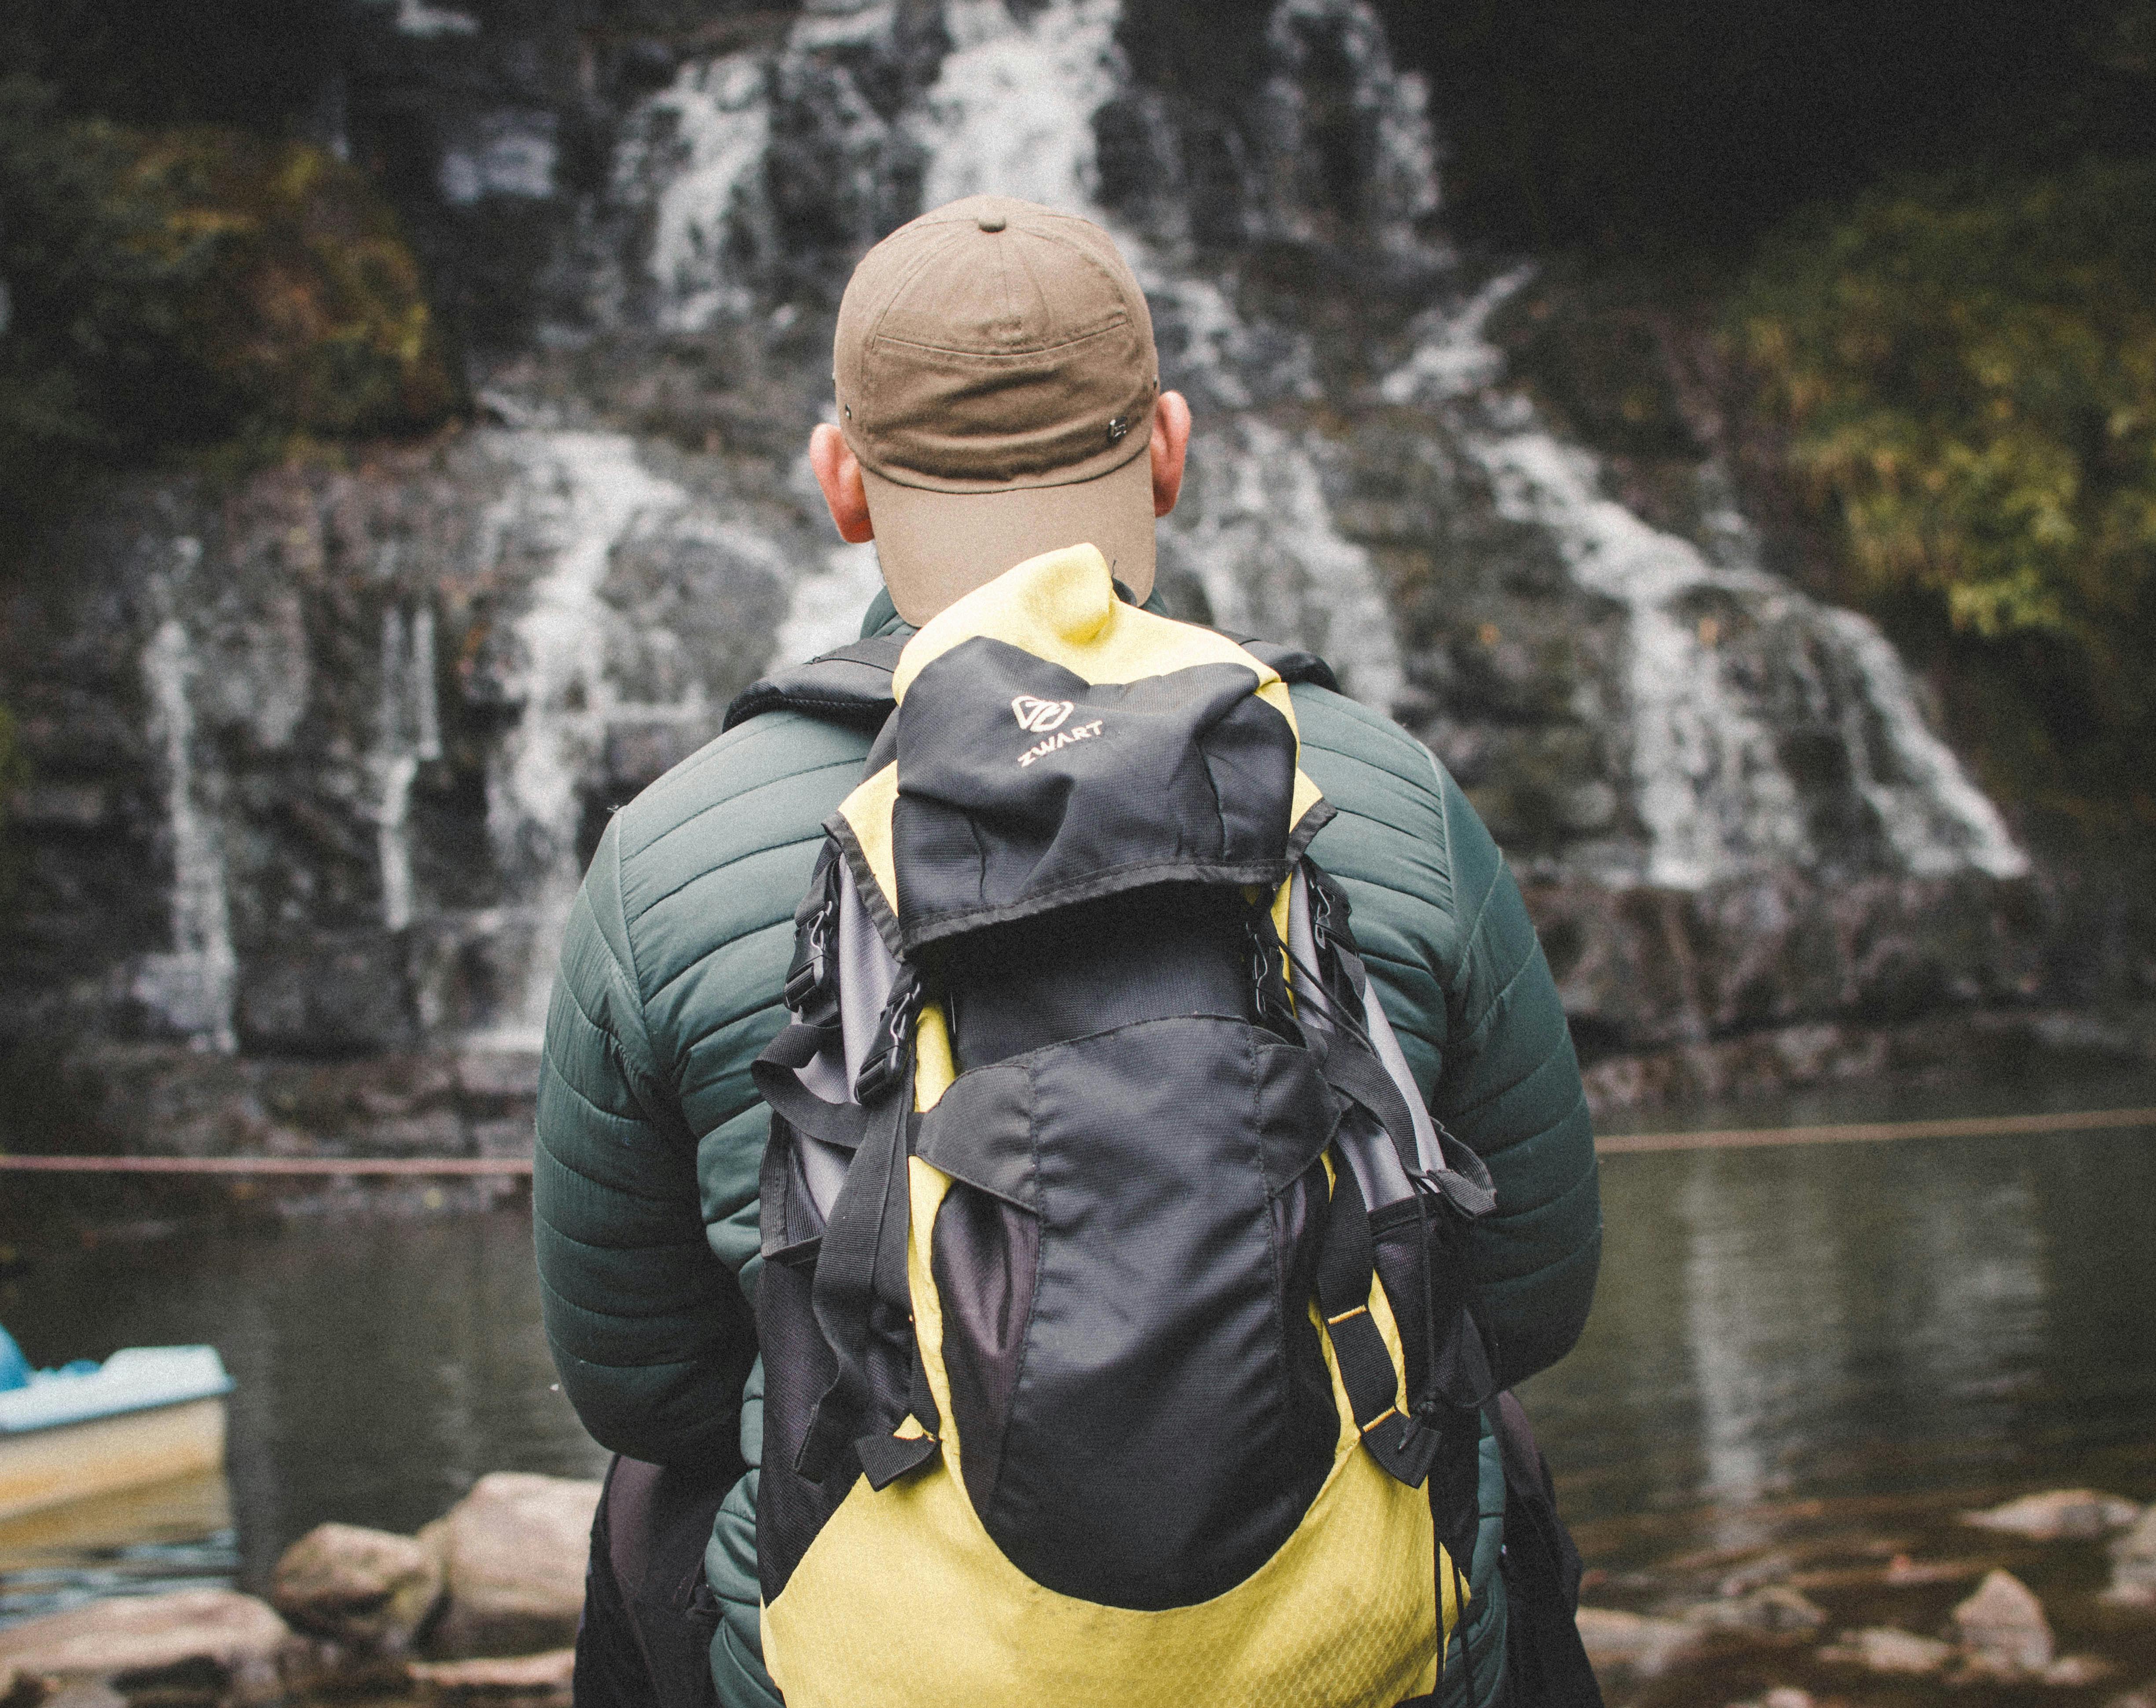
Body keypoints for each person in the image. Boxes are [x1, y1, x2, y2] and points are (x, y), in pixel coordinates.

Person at [536, 195, 1601, 1708]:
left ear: (841, 483)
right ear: (1166, 447)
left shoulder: (669, 848)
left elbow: (638, 1376)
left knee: (655, 1488)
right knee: (1486, 1438)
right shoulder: (1377, 788)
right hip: (1359, 1667)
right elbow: (1533, 1293)